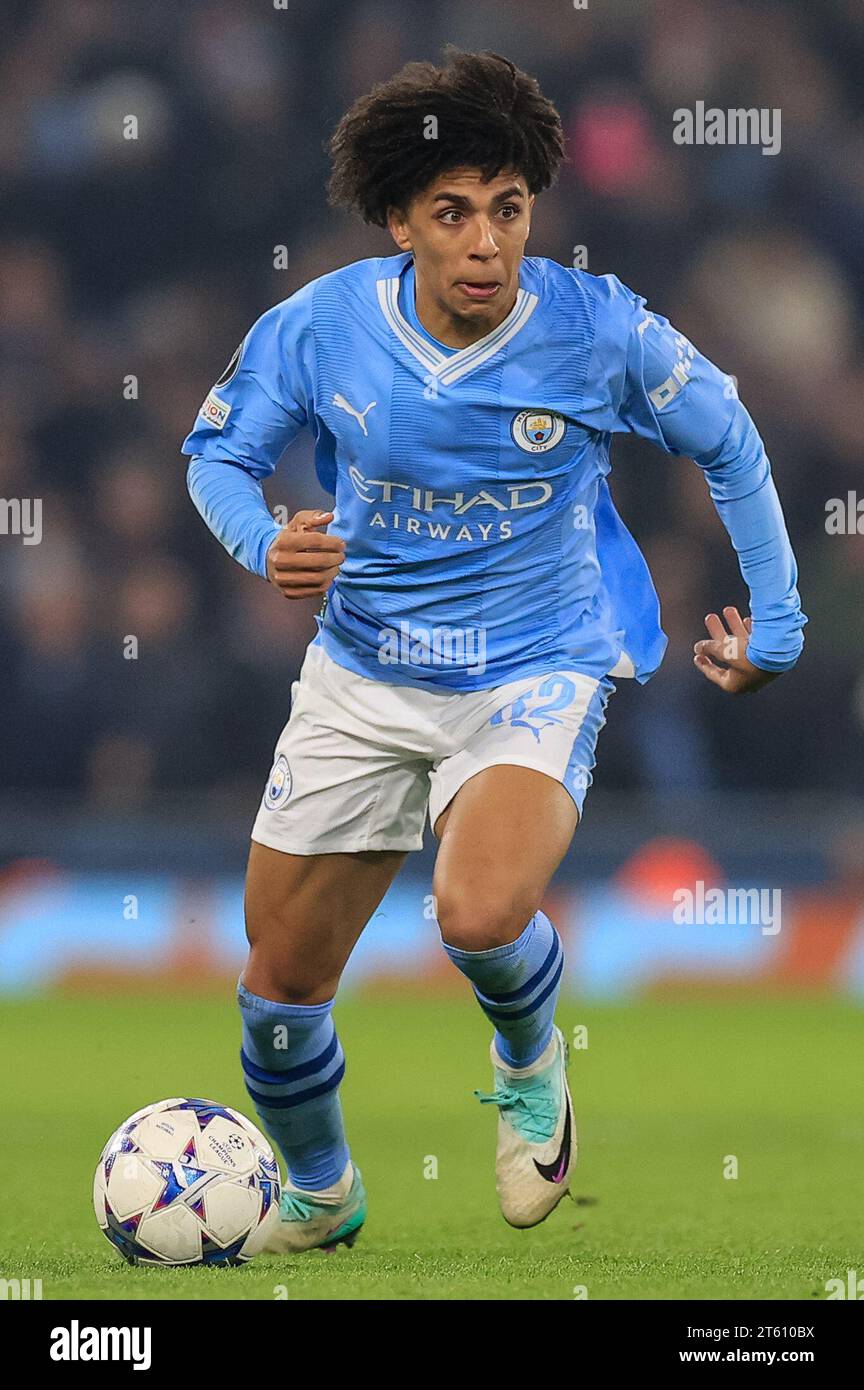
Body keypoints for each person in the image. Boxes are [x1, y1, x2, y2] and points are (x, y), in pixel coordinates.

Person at [182, 49, 806, 1253]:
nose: (485, 243)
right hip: (364, 669)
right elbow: (215, 457)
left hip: (537, 663)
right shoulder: (320, 328)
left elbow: (730, 440)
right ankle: (321, 1196)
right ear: (400, 221)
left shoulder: (598, 331)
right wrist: (265, 544)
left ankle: (531, 1060)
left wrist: (777, 622)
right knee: (276, 991)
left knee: (474, 910)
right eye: (453, 213)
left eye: (509, 210)